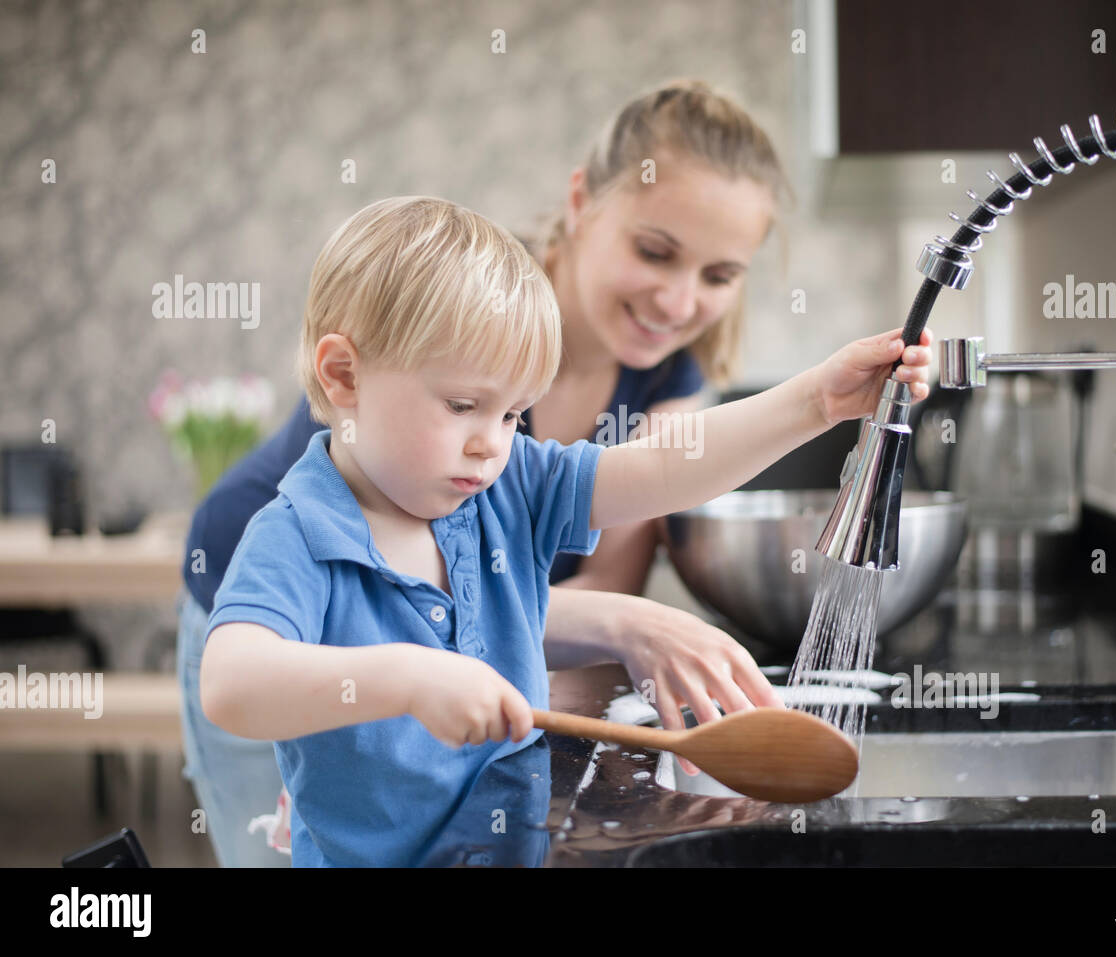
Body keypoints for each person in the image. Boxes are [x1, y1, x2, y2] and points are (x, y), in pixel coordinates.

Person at [176, 79, 817, 866]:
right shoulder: (307, 526)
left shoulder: (502, 476)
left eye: (518, 415)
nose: (495, 444)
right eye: (465, 407)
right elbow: (236, 679)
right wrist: (409, 676)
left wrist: (824, 398)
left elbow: (661, 470)